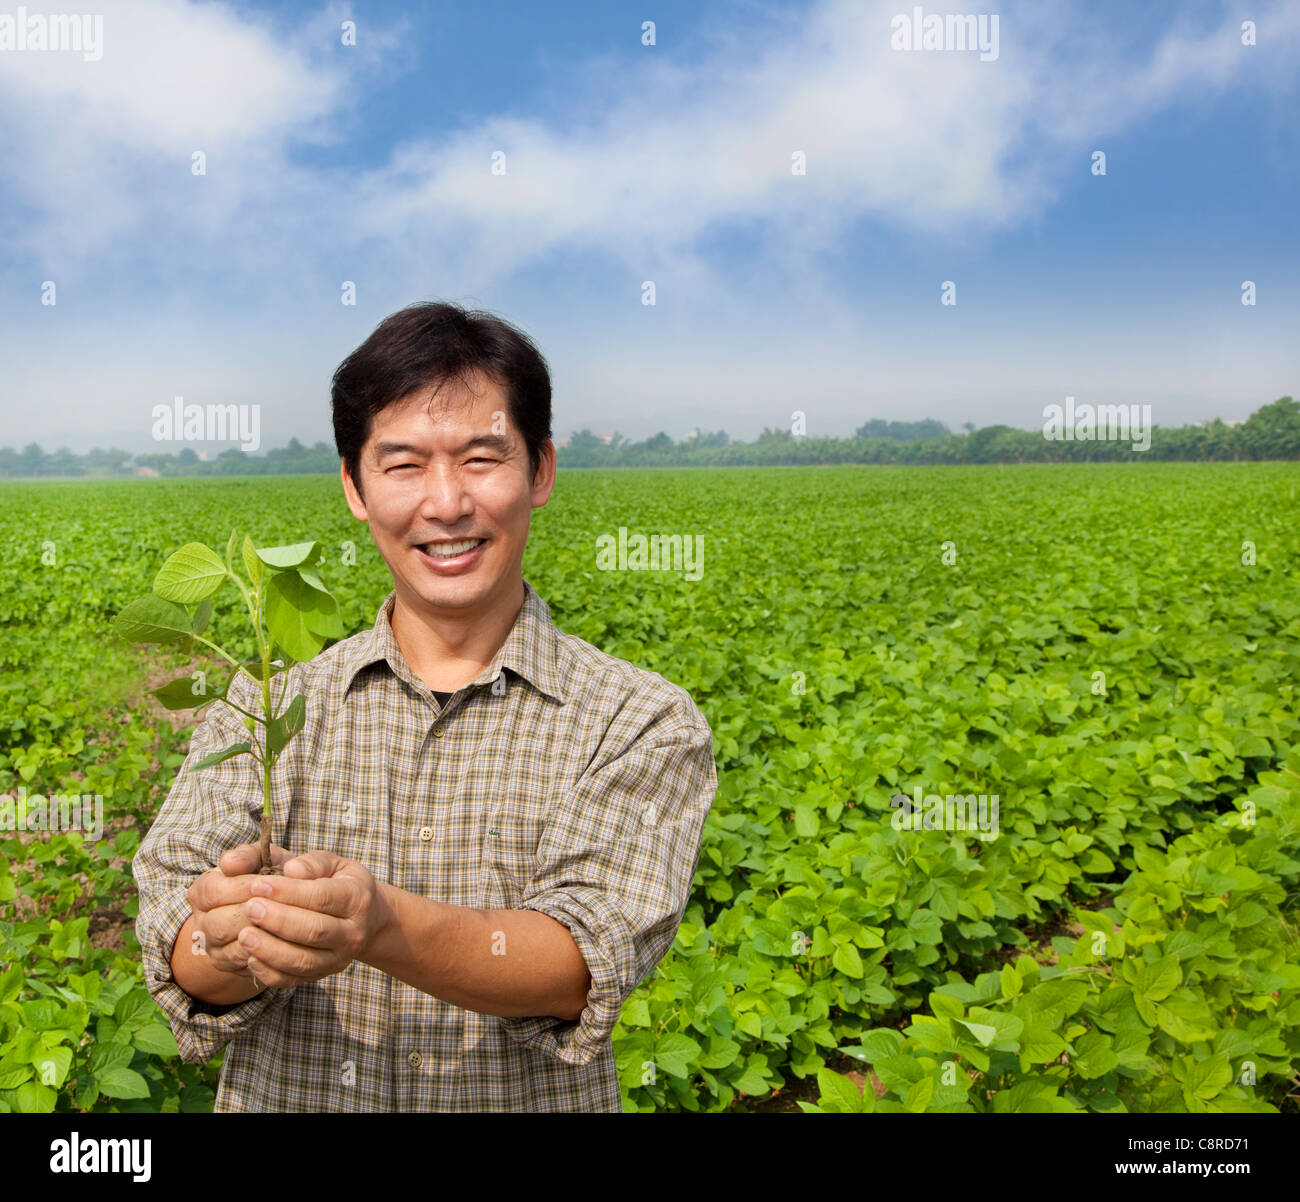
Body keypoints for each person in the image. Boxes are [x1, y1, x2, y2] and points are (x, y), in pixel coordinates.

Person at [132, 301, 718, 1112]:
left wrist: (376, 925)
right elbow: (178, 948)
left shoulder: (637, 719)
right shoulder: (266, 706)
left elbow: (580, 960)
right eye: (403, 464)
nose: (446, 503)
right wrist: (234, 932)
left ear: (541, 469)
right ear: (354, 488)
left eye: (482, 457)